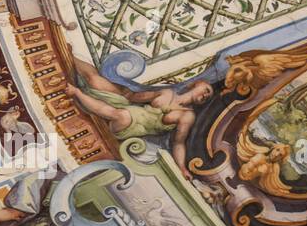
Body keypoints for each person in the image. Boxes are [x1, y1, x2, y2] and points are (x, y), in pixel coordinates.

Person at [65, 58, 212, 178]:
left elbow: (178, 143)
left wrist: (182, 168)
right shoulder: (167, 92)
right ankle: (67, 51)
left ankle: (77, 93)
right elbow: (133, 97)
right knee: (94, 80)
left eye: (208, 97)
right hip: (130, 106)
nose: (205, 95)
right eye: (206, 90)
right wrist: (114, 88)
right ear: (196, 83)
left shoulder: (187, 115)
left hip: (132, 125)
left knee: (121, 115)